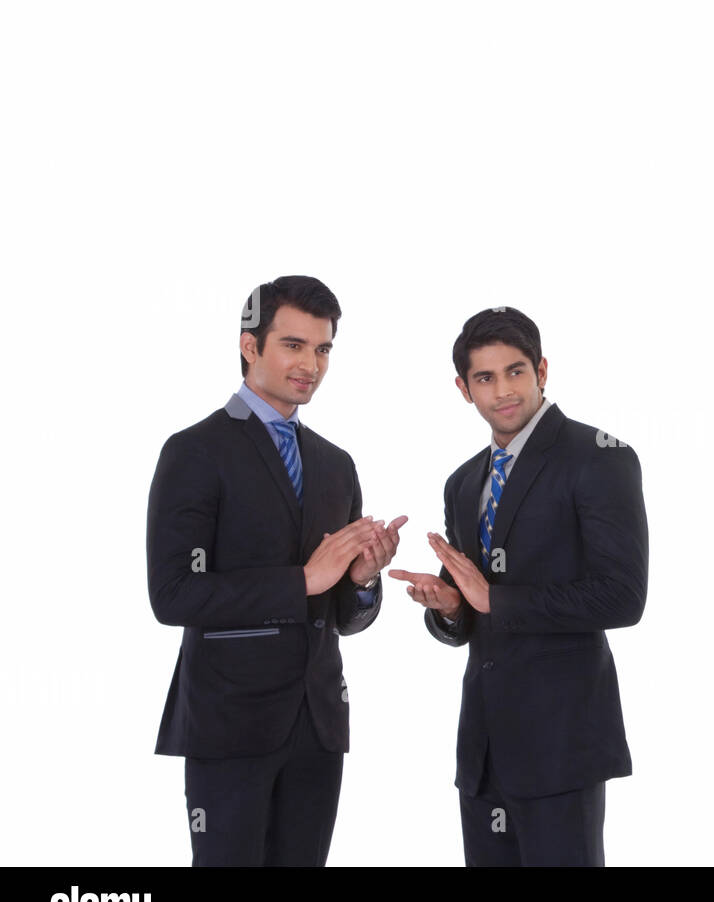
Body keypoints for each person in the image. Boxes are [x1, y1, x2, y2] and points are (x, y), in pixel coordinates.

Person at [147, 276, 404, 866]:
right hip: (229, 722)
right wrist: (301, 581)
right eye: (293, 345)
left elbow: (340, 616)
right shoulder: (194, 451)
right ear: (249, 347)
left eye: (322, 349)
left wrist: (362, 580)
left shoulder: (336, 465)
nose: (310, 364)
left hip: (317, 725)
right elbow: (173, 595)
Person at [389, 306, 648, 866]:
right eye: (485, 378)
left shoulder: (600, 458)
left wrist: (493, 599)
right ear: (464, 389)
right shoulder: (463, 483)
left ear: (542, 370)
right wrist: (451, 609)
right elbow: (467, 619)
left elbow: (624, 596)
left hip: (562, 743)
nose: (503, 390)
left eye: (515, 371)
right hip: (483, 747)